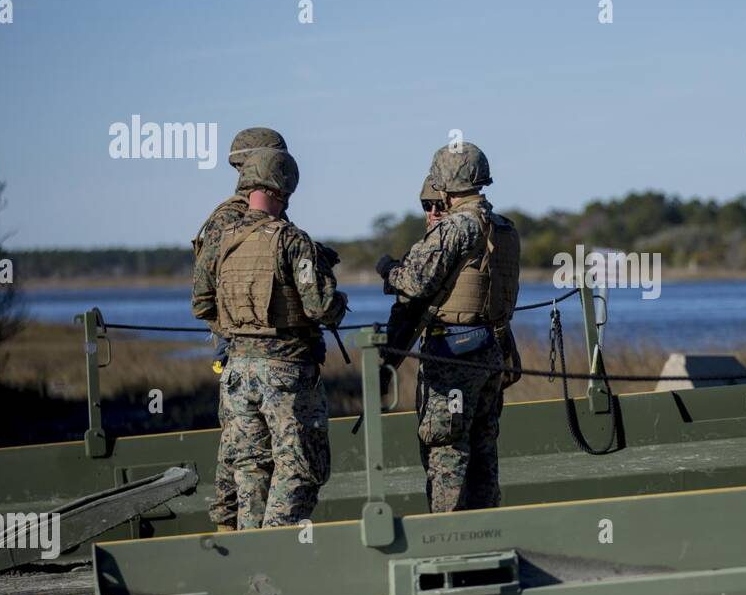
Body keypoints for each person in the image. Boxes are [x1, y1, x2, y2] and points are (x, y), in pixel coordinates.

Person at [193, 146, 347, 527]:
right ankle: (278, 547)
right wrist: (338, 299)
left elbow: (201, 304)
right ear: (284, 187)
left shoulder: (220, 240)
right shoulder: (292, 240)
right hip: (287, 373)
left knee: (250, 469)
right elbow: (320, 307)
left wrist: (240, 331)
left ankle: (251, 554)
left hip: (237, 375)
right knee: (299, 467)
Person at [379, 143, 521, 511]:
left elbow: (413, 283)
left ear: (445, 183)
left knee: (447, 452)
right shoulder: (504, 229)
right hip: (490, 350)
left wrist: (388, 270)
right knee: (484, 450)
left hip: (452, 357)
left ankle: (449, 541)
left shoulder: (456, 227)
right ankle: (488, 531)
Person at [190, 127, 290, 531]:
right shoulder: (228, 221)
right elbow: (205, 295)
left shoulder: (263, 215)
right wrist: (238, 332)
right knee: (242, 453)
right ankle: (233, 535)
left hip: (266, 356)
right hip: (243, 355)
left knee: (254, 454)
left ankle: (245, 536)